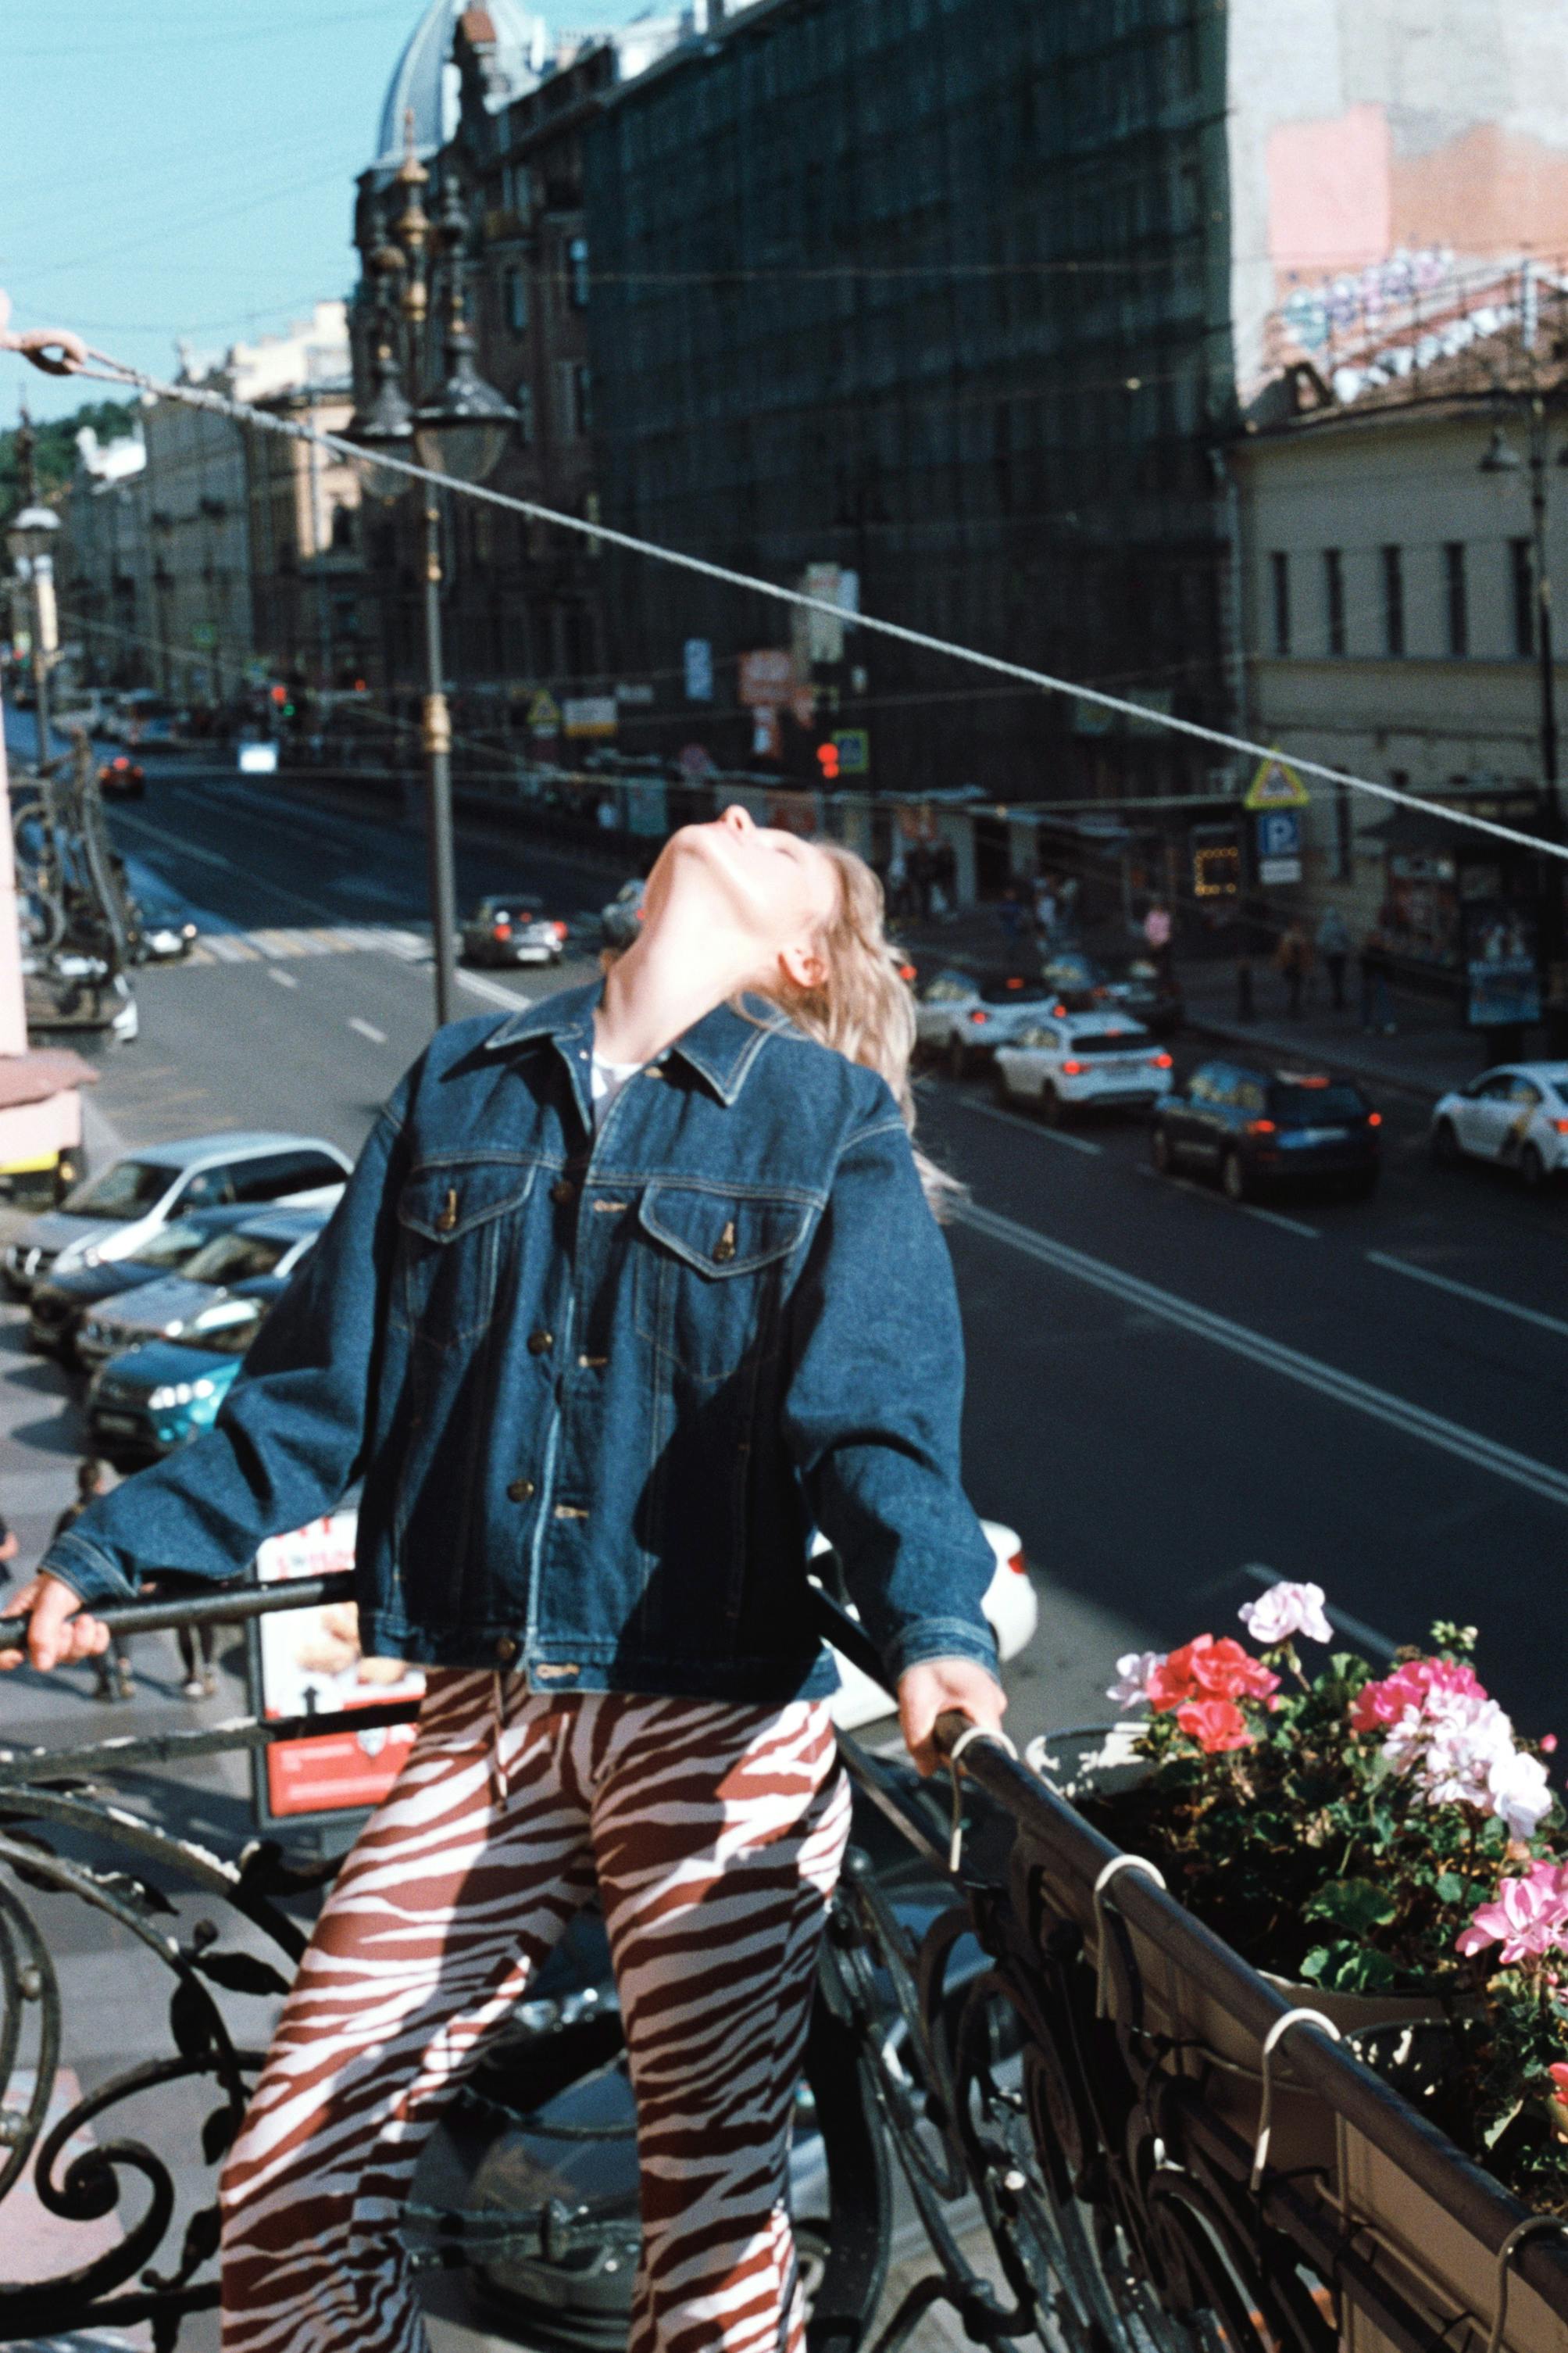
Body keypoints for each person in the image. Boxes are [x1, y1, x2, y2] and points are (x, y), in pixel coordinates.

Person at [2, 803, 1003, 2353]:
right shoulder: (461, 1079)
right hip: (486, 1719)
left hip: (713, 1728)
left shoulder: (822, 1117)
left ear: (805, 956)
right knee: (289, 2173)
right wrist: (117, 1543)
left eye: (784, 845)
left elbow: (873, 1418)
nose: (741, 816)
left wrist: (932, 1624)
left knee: (709, 2224)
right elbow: (314, 1394)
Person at [52, 1461, 132, 1703]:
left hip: (85, 1583)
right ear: (100, 1483)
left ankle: (105, 1679)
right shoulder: (113, 1509)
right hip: (115, 1577)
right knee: (120, 1624)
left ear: (79, 1484)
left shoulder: (70, 1515)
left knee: (90, 1625)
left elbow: (58, 1550)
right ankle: (124, 1667)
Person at [1360, 921, 1398, 1034]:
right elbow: (1366, 966)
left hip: (1379, 977)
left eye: (1378, 937)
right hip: (1371, 977)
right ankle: (1369, 1024)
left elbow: (1387, 965)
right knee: (1370, 1001)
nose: (1378, 939)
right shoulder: (1368, 951)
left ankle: (1385, 1023)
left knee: (1382, 1000)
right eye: (1375, 937)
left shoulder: (1380, 951)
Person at [1316, 904, 1351, 1012]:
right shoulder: (1341, 925)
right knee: (1340, 976)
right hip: (1341, 954)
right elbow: (1348, 939)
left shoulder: (1324, 927)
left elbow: (1320, 941)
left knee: (1333, 977)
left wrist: (1322, 950)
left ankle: (1336, 998)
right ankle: (1340, 998)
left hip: (1330, 955)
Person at [1273, 921, 1310, 1017]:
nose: (1298, 928)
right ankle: (1293, 1007)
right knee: (1293, 987)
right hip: (1291, 965)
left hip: (1295, 966)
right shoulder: (1292, 937)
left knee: (1295, 987)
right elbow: (1282, 952)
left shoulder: (1297, 937)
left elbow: (1306, 953)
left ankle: (1294, 1007)